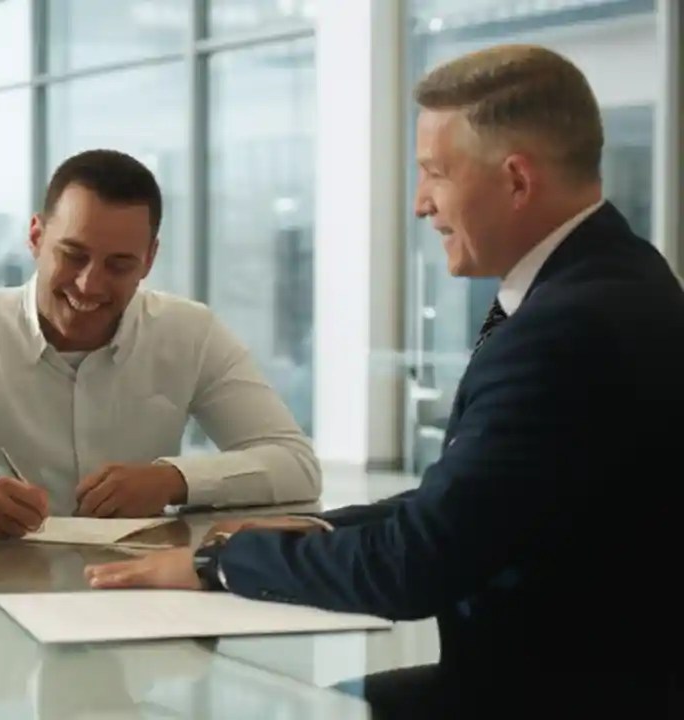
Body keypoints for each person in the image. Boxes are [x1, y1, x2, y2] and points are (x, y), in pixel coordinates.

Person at [84, 45, 684, 714]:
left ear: (517, 180)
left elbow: (415, 567)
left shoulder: (567, 328)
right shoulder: (618, 277)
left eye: (434, 172)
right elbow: (465, 503)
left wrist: (216, 567)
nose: (421, 203)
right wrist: (316, 531)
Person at [0, 149, 321, 537]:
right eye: (73, 255)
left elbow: (296, 466)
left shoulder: (190, 334)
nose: (89, 285)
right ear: (36, 237)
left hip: (136, 600)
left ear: (149, 259)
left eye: (119, 265)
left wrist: (174, 480)